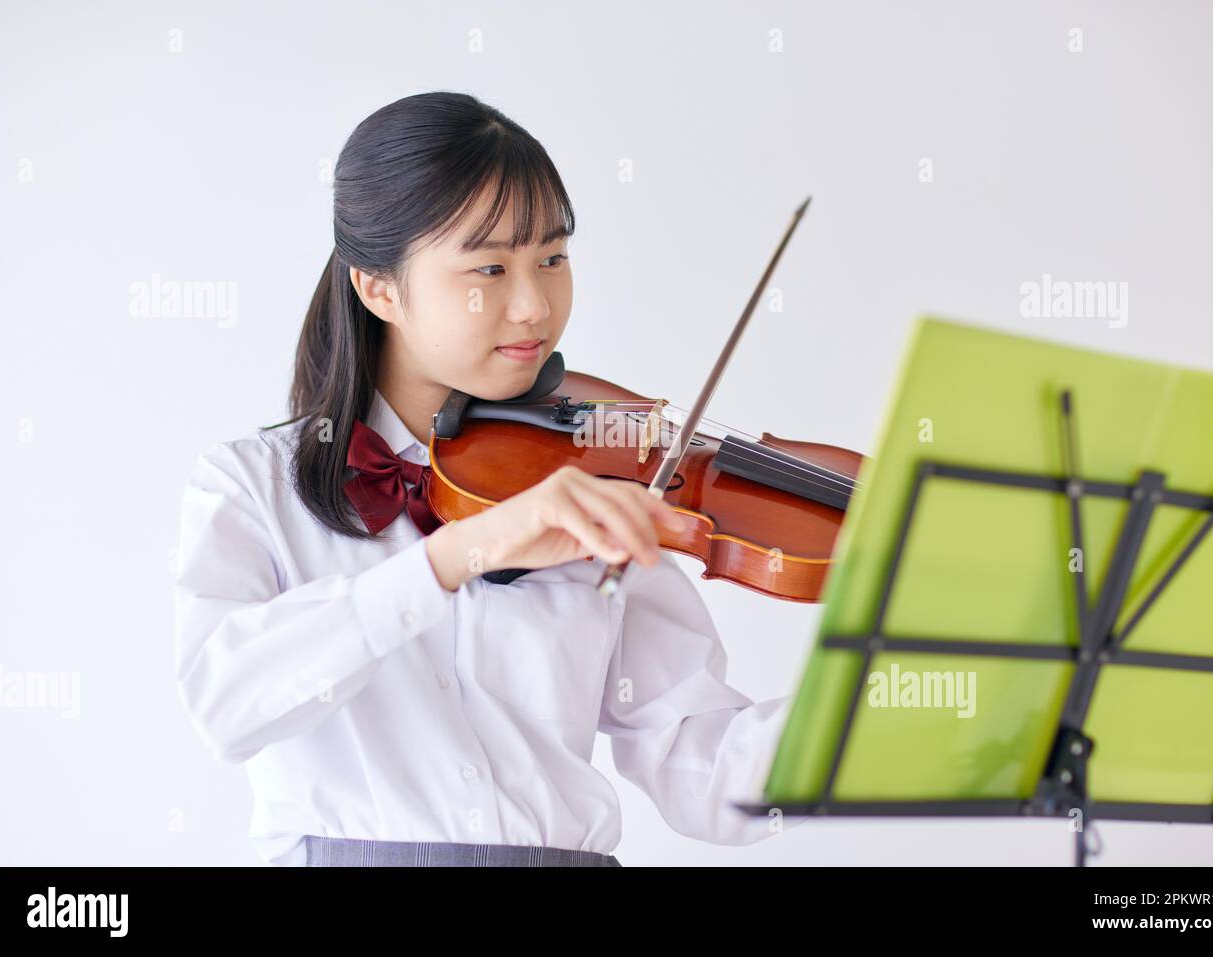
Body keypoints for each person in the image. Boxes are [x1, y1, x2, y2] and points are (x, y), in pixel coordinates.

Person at [172, 90, 800, 867]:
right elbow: (225, 703)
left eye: (552, 259)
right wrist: (454, 555)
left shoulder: (596, 480)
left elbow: (703, 767)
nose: (534, 305)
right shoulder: (251, 486)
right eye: (491, 268)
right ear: (379, 287)